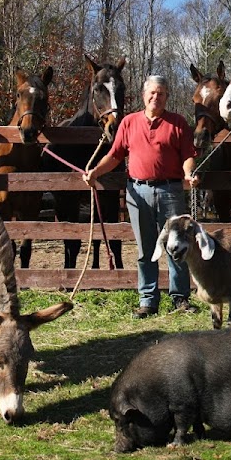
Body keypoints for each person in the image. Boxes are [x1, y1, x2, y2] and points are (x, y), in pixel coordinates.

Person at [84, 75, 200, 318]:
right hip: (138, 192)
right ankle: (148, 300)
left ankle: (180, 298)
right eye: (152, 93)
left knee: (176, 245)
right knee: (145, 248)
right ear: (143, 95)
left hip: (170, 191)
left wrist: (189, 173)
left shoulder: (178, 123)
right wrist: (95, 171)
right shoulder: (129, 122)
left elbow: (188, 154)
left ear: (167, 97)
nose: (156, 97)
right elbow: (115, 156)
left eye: (161, 93)